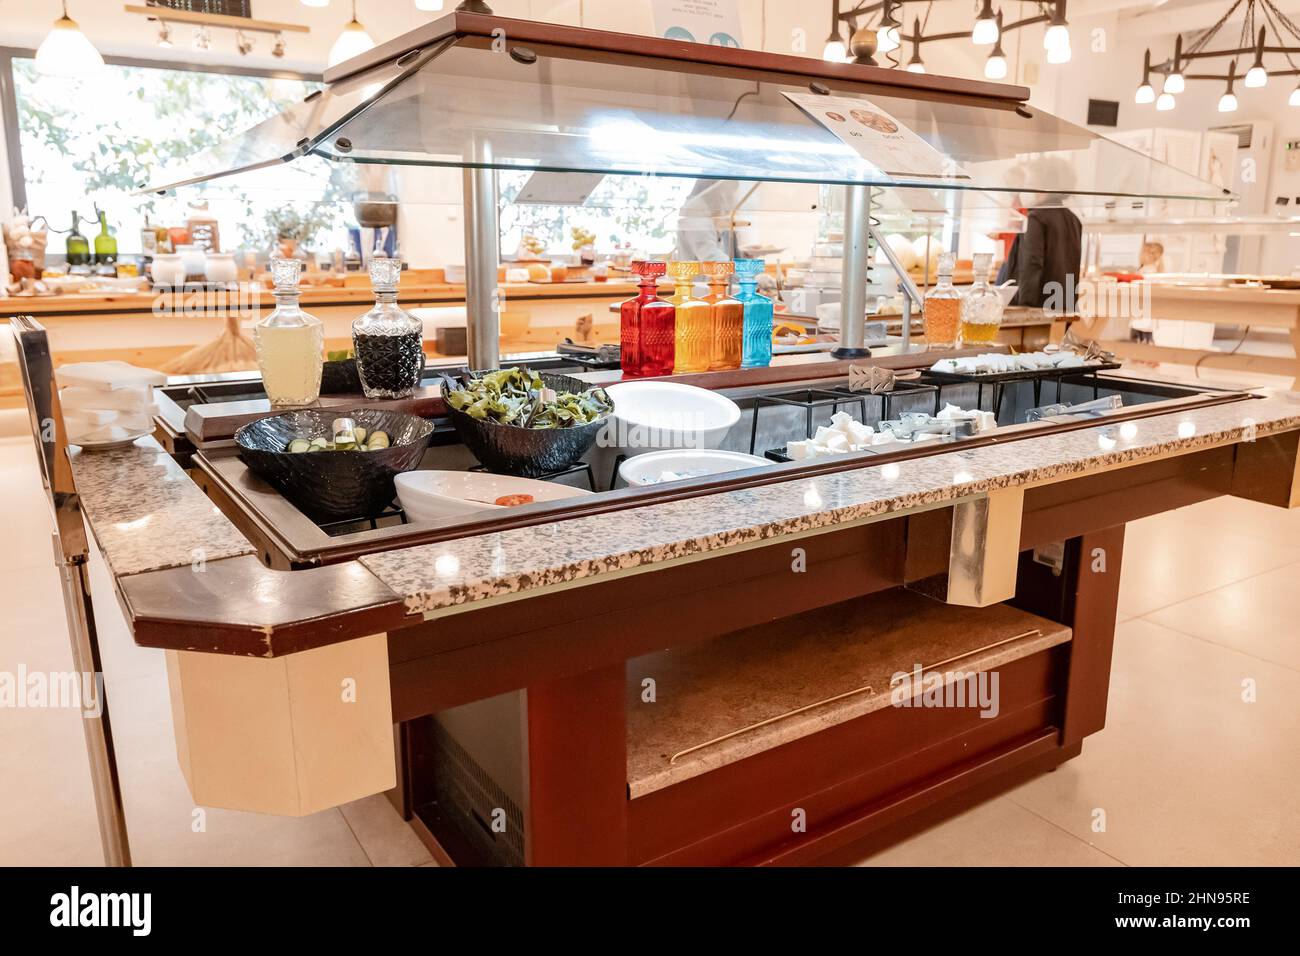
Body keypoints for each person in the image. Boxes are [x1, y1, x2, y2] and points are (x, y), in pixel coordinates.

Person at [995, 158, 1083, 312]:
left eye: (1029, 182)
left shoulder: (1036, 218)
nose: (1026, 187)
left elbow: (1031, 265)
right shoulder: (1073, 220)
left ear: (1042, 185)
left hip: (1037, 307)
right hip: (1063, 306)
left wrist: (1024, 309)